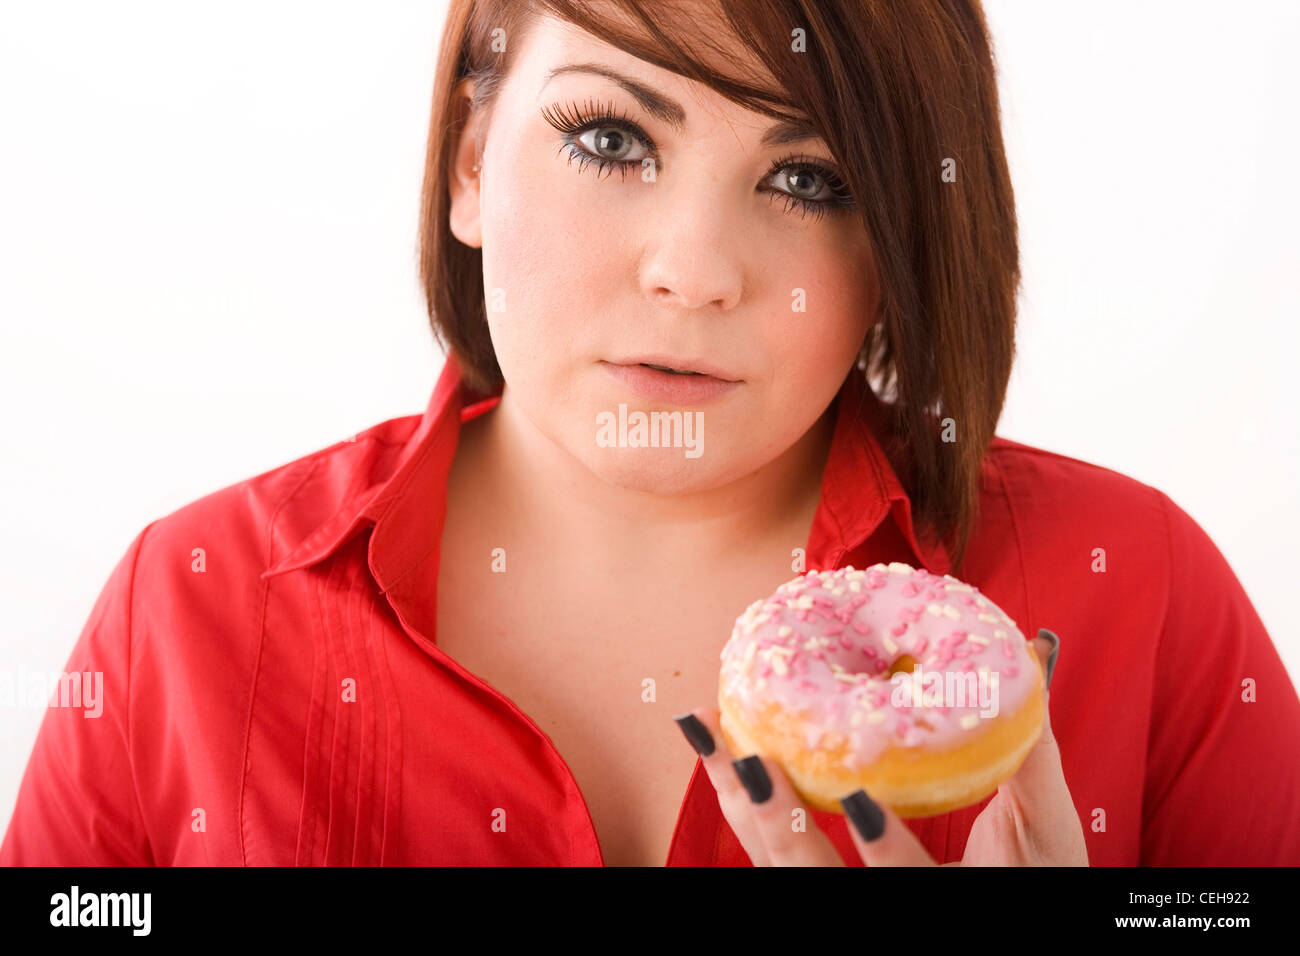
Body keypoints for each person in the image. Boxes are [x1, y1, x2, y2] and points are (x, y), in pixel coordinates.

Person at [4, 0, 1298, 867]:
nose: (695, 269)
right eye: (611, 137)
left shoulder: (1138, 596)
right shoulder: (188, 614)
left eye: (810, 179)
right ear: (469, 160)